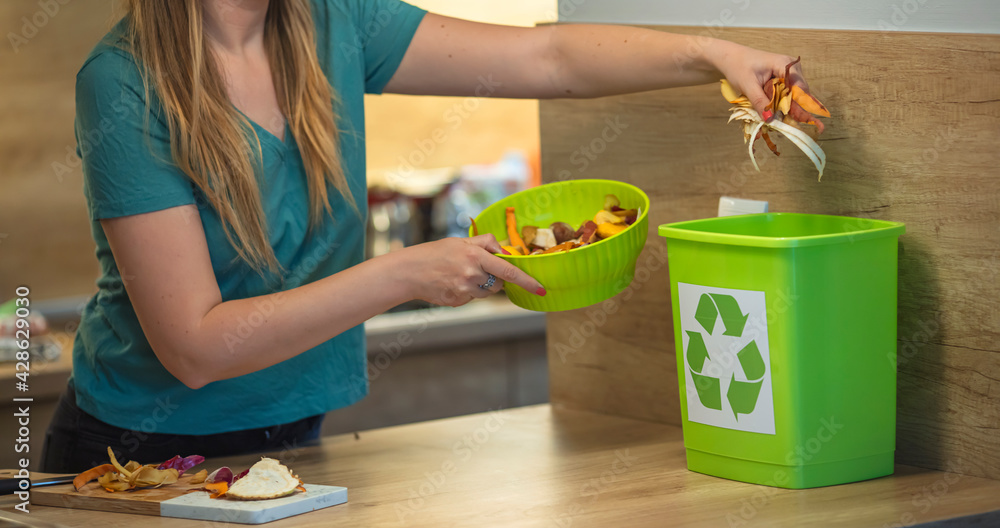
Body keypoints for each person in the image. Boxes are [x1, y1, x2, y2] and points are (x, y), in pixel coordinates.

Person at [41, 0, 816, 472]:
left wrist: (711, 53)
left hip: (294, 438)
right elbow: (196, 346)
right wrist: (405, 275)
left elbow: (543, 57)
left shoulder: (333, 19)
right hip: (138, 459)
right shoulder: (123, 82)